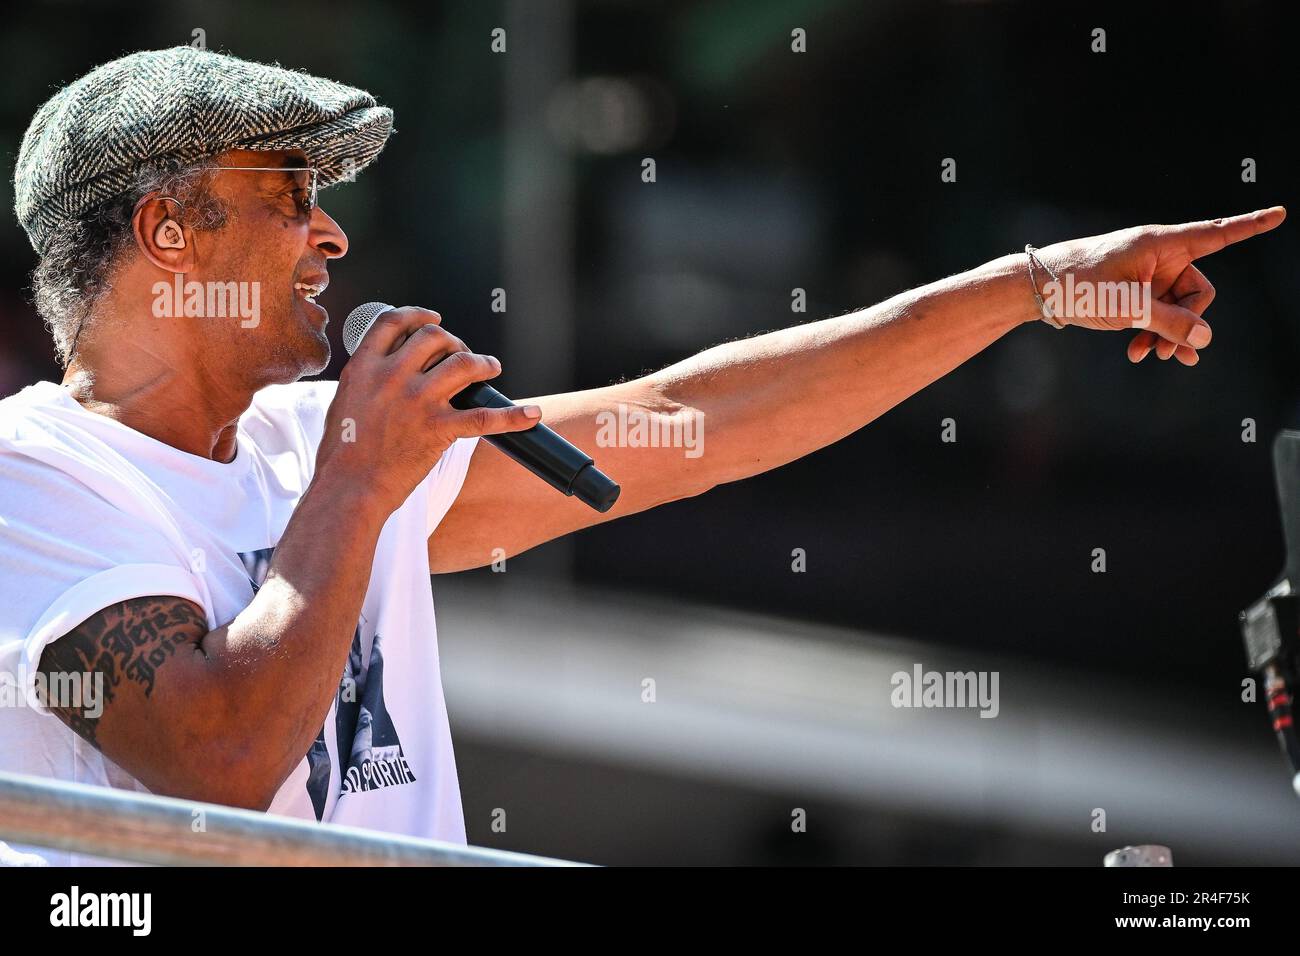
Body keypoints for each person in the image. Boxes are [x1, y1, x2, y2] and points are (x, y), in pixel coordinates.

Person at [0, 46, 1284, 865]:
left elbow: (697, 422)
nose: (330, 239)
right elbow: (218, 756)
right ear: (168, 232)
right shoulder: (35, 472)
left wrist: (1027, 288)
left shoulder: (313, 446)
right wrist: (358, 478)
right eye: (290, 197)